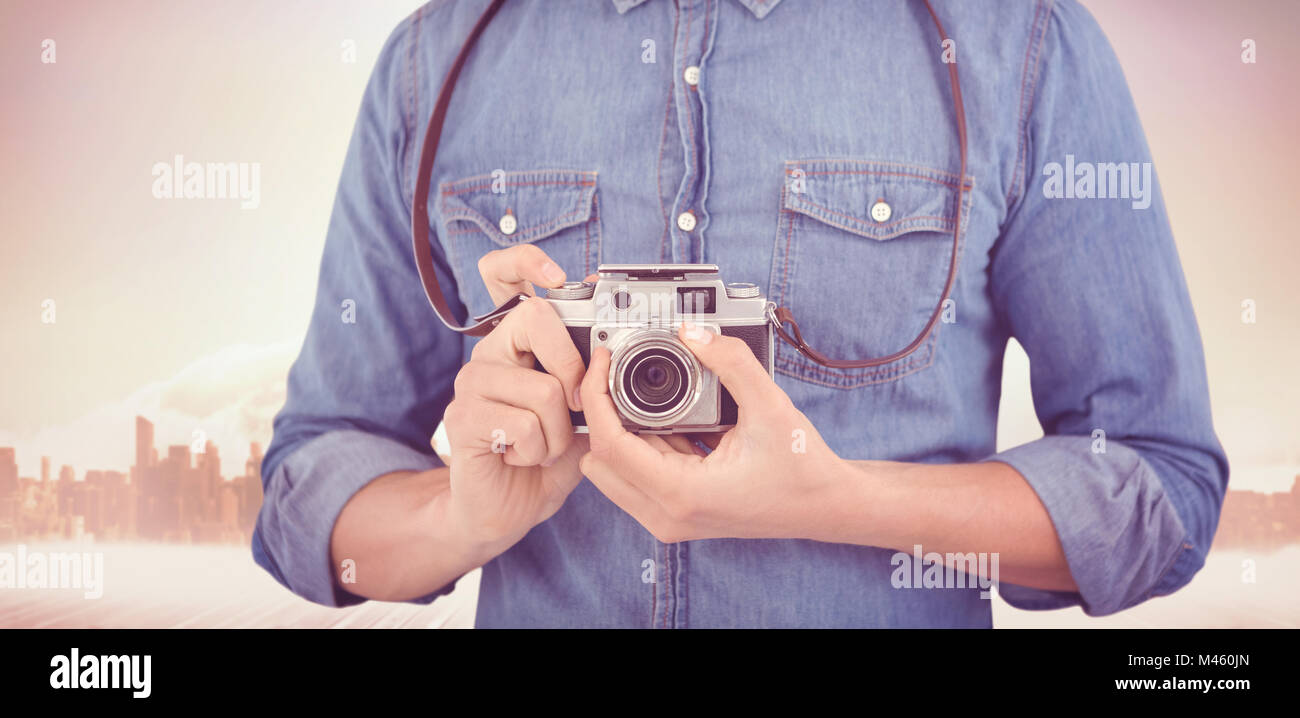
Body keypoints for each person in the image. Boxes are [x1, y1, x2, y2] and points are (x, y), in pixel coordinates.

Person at [252, 0, 1227, 627]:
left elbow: (1158, 485)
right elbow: (309, 486)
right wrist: (455, 520)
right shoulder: (435, 60)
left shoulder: (1019, 41)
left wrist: (839, 500)